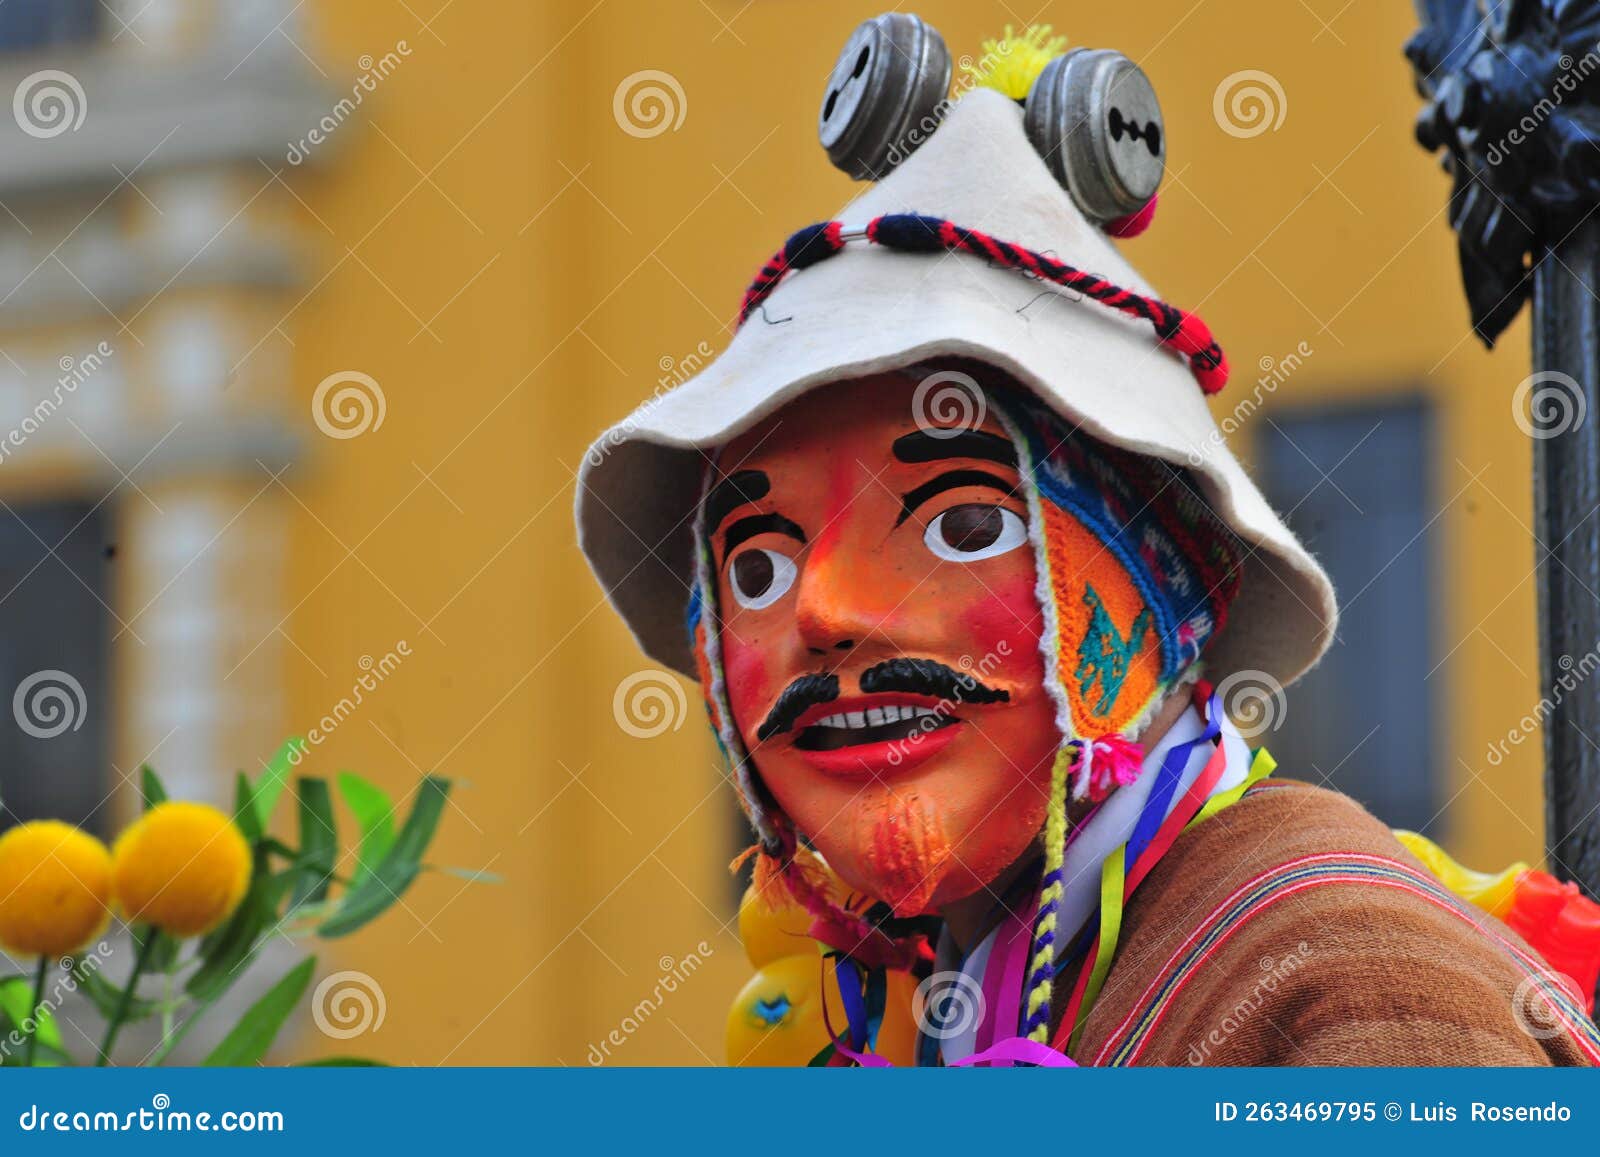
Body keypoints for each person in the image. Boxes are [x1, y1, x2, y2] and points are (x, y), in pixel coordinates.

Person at [575, 22, 1600, 1066]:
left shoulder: (1356, 989)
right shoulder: (921, 999)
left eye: (963, 524)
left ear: (1171, 586)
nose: (823, 610)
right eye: (757, 565)